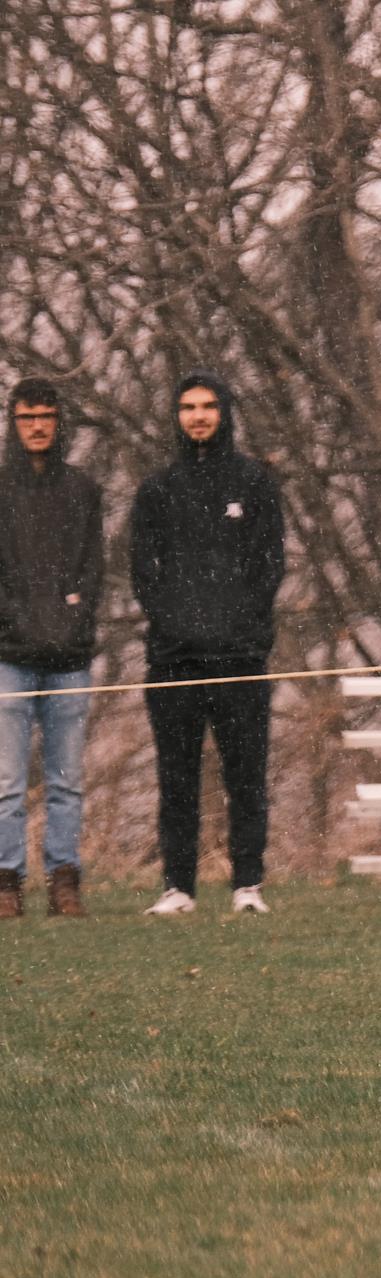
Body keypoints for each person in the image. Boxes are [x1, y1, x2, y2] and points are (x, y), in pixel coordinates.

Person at [130, 370, 285, 916]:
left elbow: (270, 567)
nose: (198, 416)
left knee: (246, 777)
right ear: (177, 416)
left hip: (240, 658)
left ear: (225, 413)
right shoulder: (157, 490)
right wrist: (178, 626)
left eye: (208, 406)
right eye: (188, 407)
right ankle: (178, 888)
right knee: (177, 781)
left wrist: (242, 629)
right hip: (174, 661)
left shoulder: (255, 483)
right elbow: (143, 575)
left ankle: (248, 885)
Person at [0, 378, 103, 918]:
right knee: (8, 785)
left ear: (59, 422)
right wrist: (17, 623)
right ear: (13, 423)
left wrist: (70, 621)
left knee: (67, 782)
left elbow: (93, 570)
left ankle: (65, 882)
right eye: (26, 417)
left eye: (45, 416)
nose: (36, 425)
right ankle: (6, 884)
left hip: (69, 660)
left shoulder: (83, 490)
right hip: (10, 659)